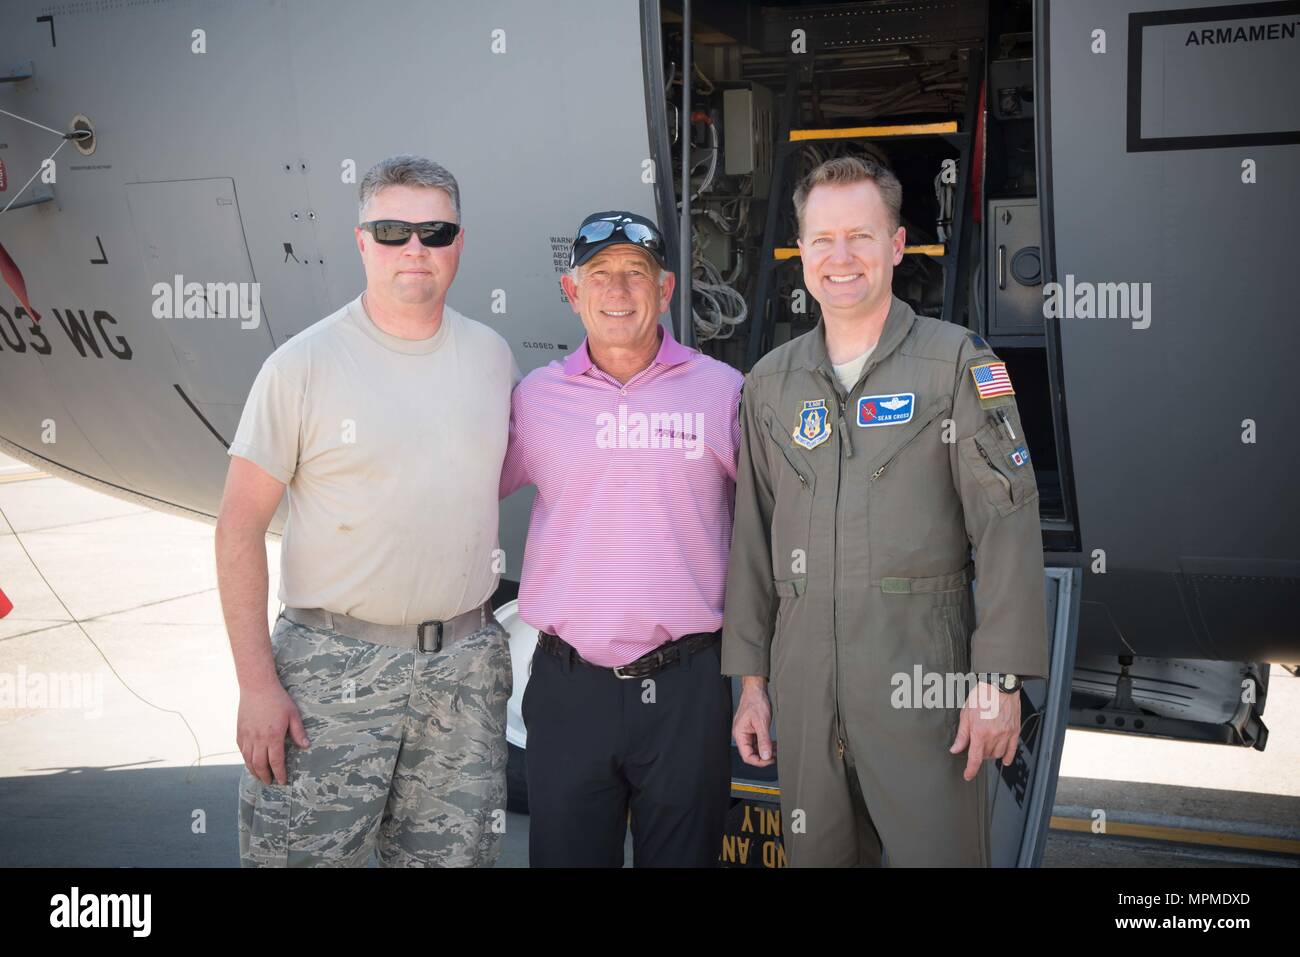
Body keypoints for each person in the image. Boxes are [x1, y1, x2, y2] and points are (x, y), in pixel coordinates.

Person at [723, 157, 1049, 867]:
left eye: (861, 237)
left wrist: (999, 682)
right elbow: (752, 536)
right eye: (823, 239)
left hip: (923, 682)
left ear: (897, 245)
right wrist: (751, 684)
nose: (842, 258)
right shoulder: (769, 386)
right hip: (805, 687)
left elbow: (1007, 525)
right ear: (800, 251)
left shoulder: (955, 364)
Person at [217, 154, 517, 867]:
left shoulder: (491, 356)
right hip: (331, 674)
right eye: (391, 231)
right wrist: (257, 683)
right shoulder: (303, 365)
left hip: (463, 677)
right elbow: (238, 525)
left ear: (459, 244)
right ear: (361, 242)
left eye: (434, 232)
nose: (415, 248)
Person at [500, 211, 743, 867]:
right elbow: (463, 496)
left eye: (635, 274)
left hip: (687, 687)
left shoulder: (722, 392)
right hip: (569, 686)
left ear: (664, 290)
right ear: (570, 290)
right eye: (599, 275)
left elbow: (768, 528)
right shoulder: (535, 399)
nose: (617, 290)